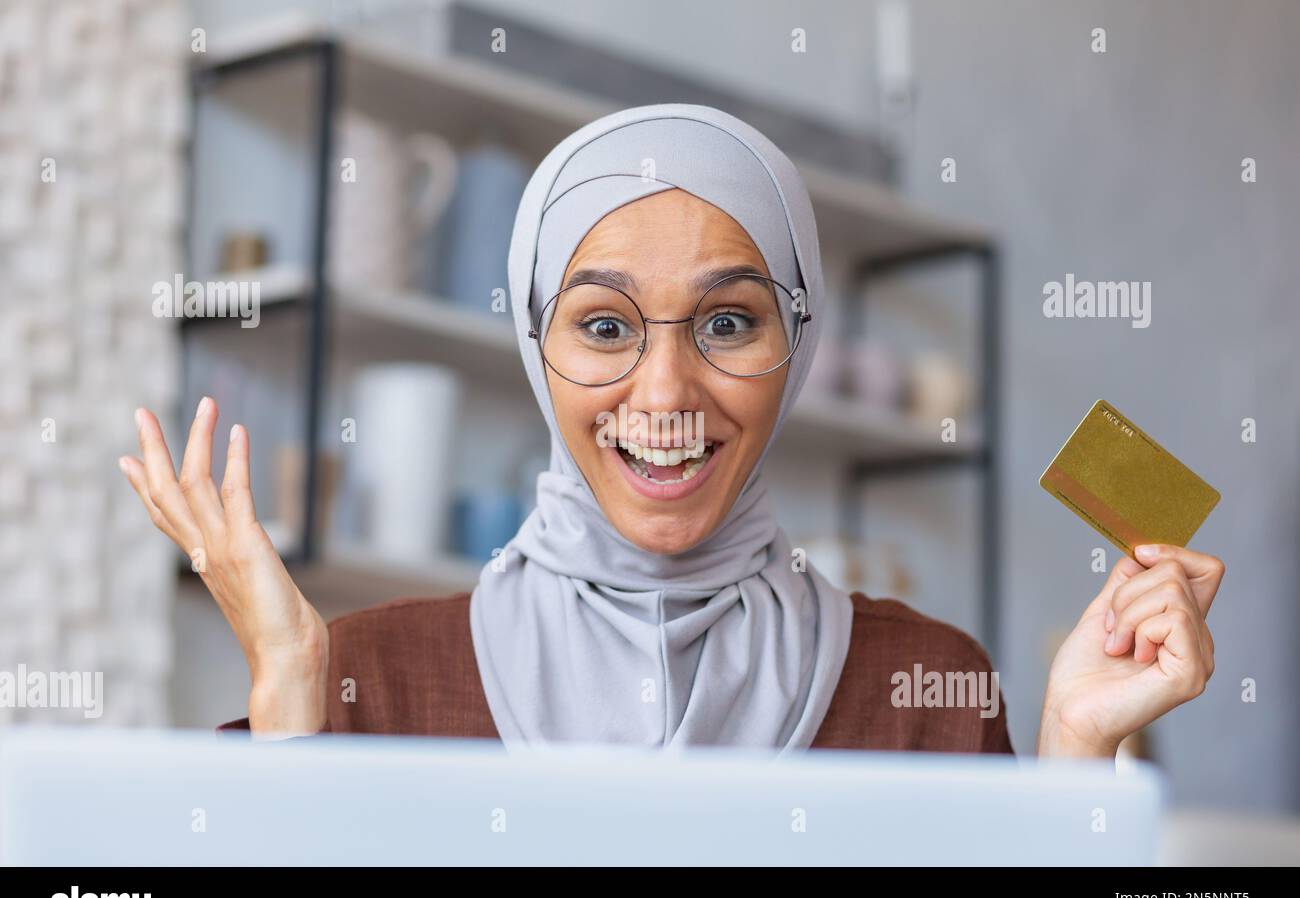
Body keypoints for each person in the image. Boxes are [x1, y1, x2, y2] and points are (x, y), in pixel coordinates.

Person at [118, 104, 1223, 756]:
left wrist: (1080, 751)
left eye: (729, 320)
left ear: (798, 341)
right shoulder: (360, 679)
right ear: (531, 341)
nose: (664, 393)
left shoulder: (924, 688)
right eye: (603, 324)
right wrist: (290, 687)